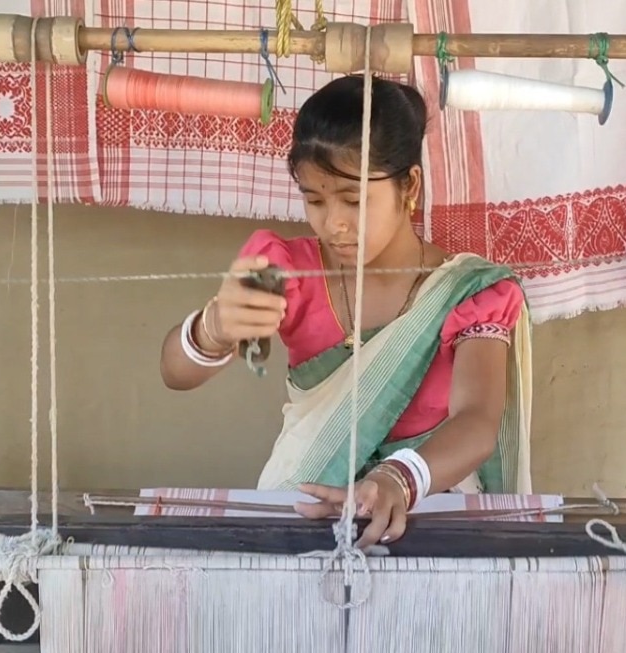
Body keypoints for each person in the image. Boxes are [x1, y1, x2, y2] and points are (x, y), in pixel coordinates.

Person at [159, 74, 531, 547]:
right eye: (314, 200)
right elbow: (176, 373)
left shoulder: (470, 292)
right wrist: (212, 329)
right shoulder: (285, 270)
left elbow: (477, 422)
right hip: (306, 517)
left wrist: (397, 481)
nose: (333, 223)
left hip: (425, 521)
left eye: (354, 200)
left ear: (409, 186)